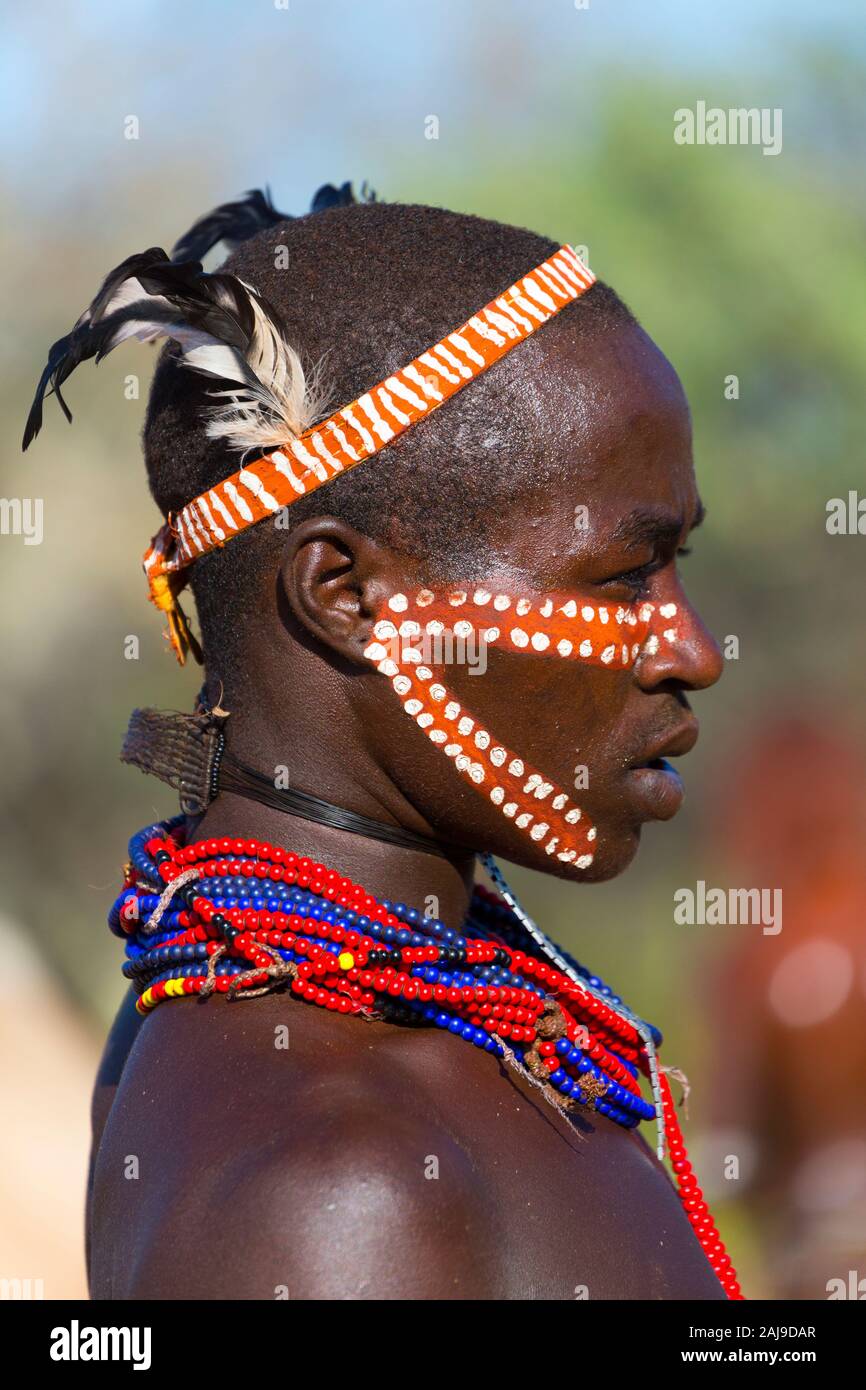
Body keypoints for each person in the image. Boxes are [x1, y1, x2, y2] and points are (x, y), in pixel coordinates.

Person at [24, 185, 739, 1299]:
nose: (690, 650)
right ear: (346, 595)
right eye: (623, 575)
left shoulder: (417, 1037)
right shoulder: (335, 1192)